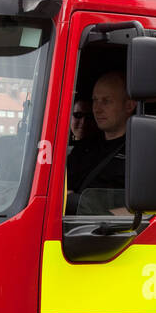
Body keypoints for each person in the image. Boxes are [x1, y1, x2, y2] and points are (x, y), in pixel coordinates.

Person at [65, 71, 134, 214]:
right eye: (95, 100)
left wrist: (77, 202)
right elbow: (60, 189)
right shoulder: (84, 148)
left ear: (129, 105)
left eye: (106, 101)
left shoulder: (140, 152)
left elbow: (140, 211)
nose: (97, 109)